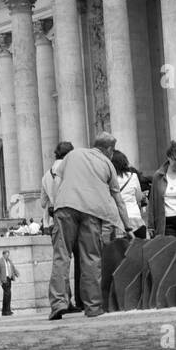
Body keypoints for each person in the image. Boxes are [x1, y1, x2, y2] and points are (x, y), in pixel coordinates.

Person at [47, 132, 133, 321]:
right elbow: (118, 200)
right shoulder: (108, 164)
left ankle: (58, 304)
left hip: (65, 208)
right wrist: (128, 227)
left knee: (61, 256)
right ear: (110, 150)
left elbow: (57, 182)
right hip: (91, 212)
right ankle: (93, 307)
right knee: (91, 258)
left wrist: (55, 205)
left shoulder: (72, 155)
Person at [41, 141, 83, 312]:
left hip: (54, 222)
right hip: (72, 216)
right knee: (81, 259)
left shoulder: (46, 175)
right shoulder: (69, 170)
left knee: (61, 260)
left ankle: (65, 301)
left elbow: (43, 202)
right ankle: (82, 300)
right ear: (70, 155)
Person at [111, 150, 148, 238]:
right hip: (136, 219)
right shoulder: (133, 176)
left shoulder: (109, 179)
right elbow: (138, 197)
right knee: (139, 250)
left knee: (121, 251)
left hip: (119, 222)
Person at [0, 249, 19, 316]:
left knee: (7, 295)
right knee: (8, 294)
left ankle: (4, 311)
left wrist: (16, 273)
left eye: (8, 255)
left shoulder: (9, 261)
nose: (7, 256)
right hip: (3, 280)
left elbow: (13, 268)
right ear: (3, 254)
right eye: (6, 255)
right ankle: (7, 311)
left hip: (9, 279)